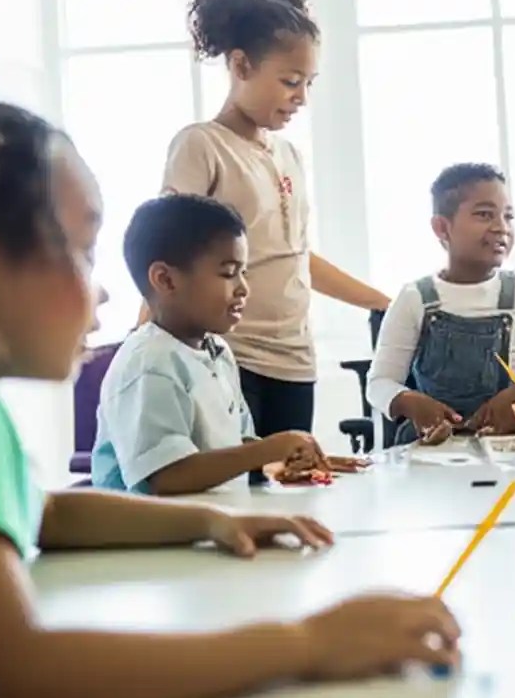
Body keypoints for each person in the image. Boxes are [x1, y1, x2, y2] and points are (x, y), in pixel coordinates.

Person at [0, 90, 458, 698]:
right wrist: (308, 644)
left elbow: (49, 512)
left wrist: (208, 520)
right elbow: (6, 673)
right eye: (82, 252)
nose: (105, 292)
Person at [163, 0, 390, 482]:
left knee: (293, 492)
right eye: (290, 81)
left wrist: (385, 303)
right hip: (229, 357)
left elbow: (295, 257)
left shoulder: (287, 155)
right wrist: (150, 347)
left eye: (309, 82)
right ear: (241, 66)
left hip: (294, 360)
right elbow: (165, 251)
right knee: (232, 496)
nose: (301, 98)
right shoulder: (202, 146)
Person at [91, 195, 360, 494]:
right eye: (228, 273)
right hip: (151, 537)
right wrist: (267, 449)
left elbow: (236, 447)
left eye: (243, 272)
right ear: (165, 280)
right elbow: (166, 477)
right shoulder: (149, 362)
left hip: (212, 522)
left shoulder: (217, 352)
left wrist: (290, 458)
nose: (243, 288)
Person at [367, 163, 515, 445]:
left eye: (508, 216)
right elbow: (379, 384)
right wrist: (408, 401)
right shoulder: (414, 298)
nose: (501, 228)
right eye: (484, 215)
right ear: (441, 227)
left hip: (512, 443)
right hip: (434, 448)